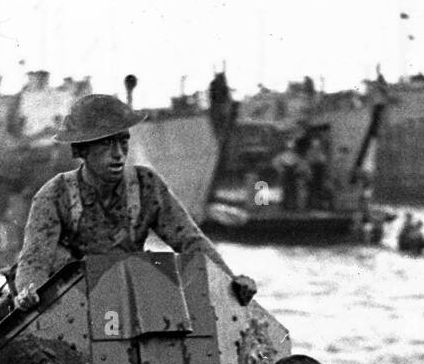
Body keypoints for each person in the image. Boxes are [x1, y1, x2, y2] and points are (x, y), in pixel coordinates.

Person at [14, 94, 255, 309]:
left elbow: (191, 242)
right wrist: (29, 291)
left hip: (129, 298)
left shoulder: (146, 185)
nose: (119, 153)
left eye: (123, 141)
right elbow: (35, 259)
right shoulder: (55, 194)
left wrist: (232, 281)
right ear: (82, 150)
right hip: (71, 304)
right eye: (107, 143)